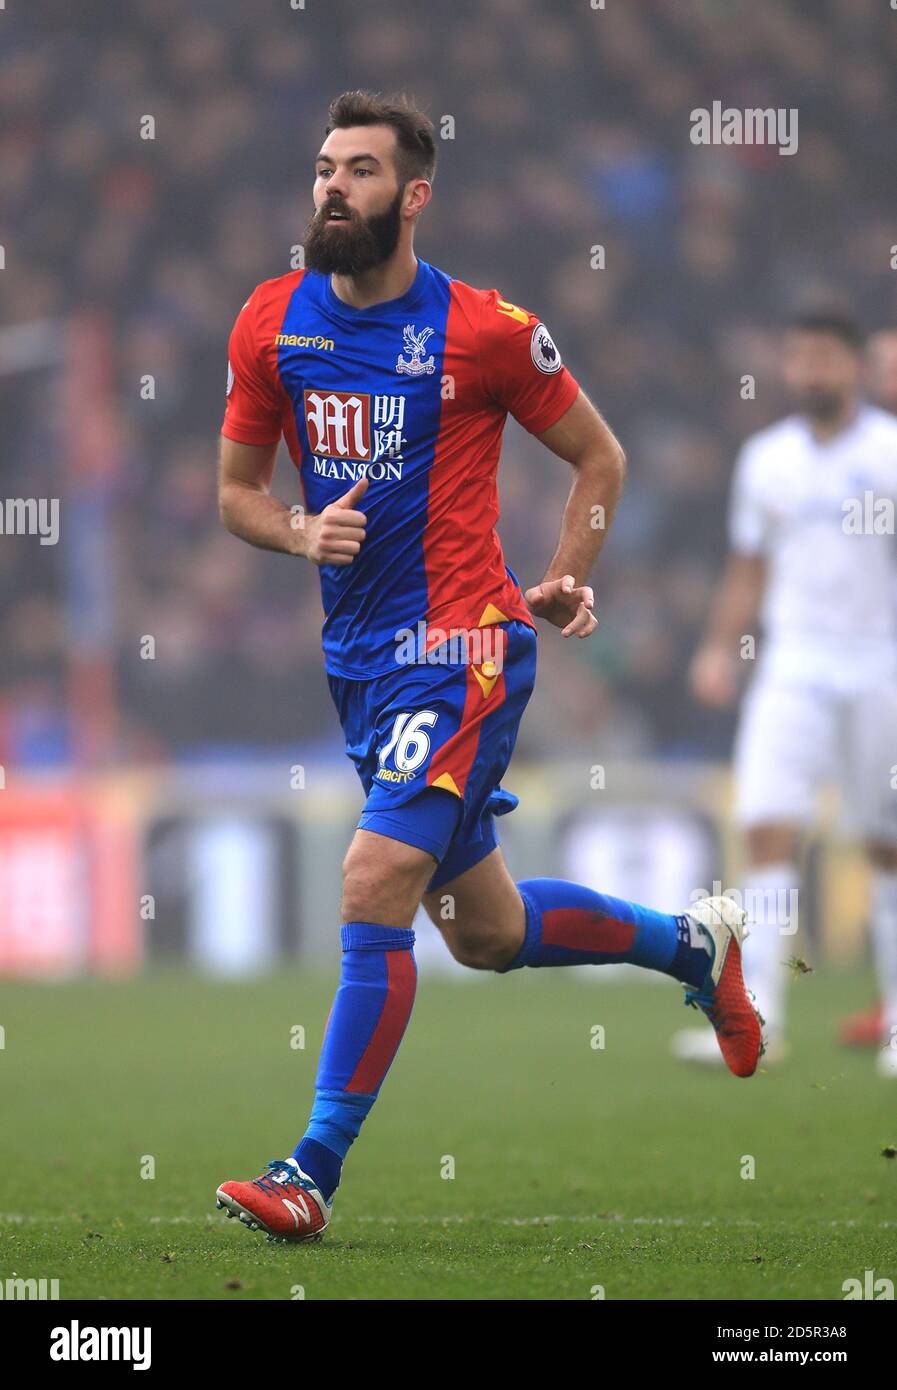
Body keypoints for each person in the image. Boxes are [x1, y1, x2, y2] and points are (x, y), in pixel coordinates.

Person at [214, 90, 761, 1244]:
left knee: (371, 883)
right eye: (323, 167)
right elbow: (234, 496)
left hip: (463, 644)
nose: (331, 187)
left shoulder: (487, 330)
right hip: (358, 658)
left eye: (359, 171)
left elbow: (598, 457)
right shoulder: (271, 321)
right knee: (487, 932)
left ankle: (309, 1170)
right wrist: (300, 532)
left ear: (413, 197)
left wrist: (563, 573)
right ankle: (693, 946)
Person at [682, 311, 897, 1078]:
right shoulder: (765, 459)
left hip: (878, 663)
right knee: (767, 828)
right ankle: (757, 1017)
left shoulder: (887, 453)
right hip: (790, 663)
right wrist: (718, 648)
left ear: (852, 366)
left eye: (824, 358)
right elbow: (748, 566)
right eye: (798, 356)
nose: (809, 371)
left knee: (885, 843)